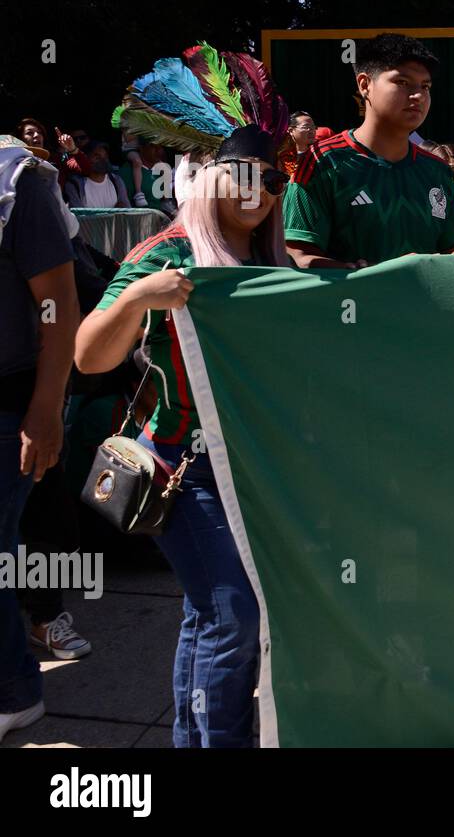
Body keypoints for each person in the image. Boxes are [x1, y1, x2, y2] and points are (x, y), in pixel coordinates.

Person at [76, 46, 292, 746]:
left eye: (269, 179)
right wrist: (141, 296)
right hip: (179, 469)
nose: (257, 192)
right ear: (211, 179)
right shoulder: (166, 253)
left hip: (249, 470)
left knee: (208, 614)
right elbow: (88, 354)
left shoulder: (266, 262)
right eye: (244, 176)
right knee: (232, 615)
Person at [0, 135, 79, 742]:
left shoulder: (17, 176)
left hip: (11, 400)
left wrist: (46, 408)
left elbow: (57, 302)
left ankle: (15, 693)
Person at [283, 33, 454, 268]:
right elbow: (297, 256)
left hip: (425, 305)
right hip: (350, 304)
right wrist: (372, 274)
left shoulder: (439, 171)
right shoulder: (321, 162)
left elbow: (452, 247)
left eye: (425, 86)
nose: (418, 95)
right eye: (402, 82)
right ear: (364, 85)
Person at [62, 142, 129, 208]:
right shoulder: (75, 185)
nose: (103, 160)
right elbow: (78, 216)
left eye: (105, 156)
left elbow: (127, 211)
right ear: (85, 159)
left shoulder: (116, 181)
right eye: (97, 157)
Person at [280, 111, 316, 180]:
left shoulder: (319, 152)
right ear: (291, 130)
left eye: (313, 127)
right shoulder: (282, 157)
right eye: (306, 127)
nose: (312, 131)